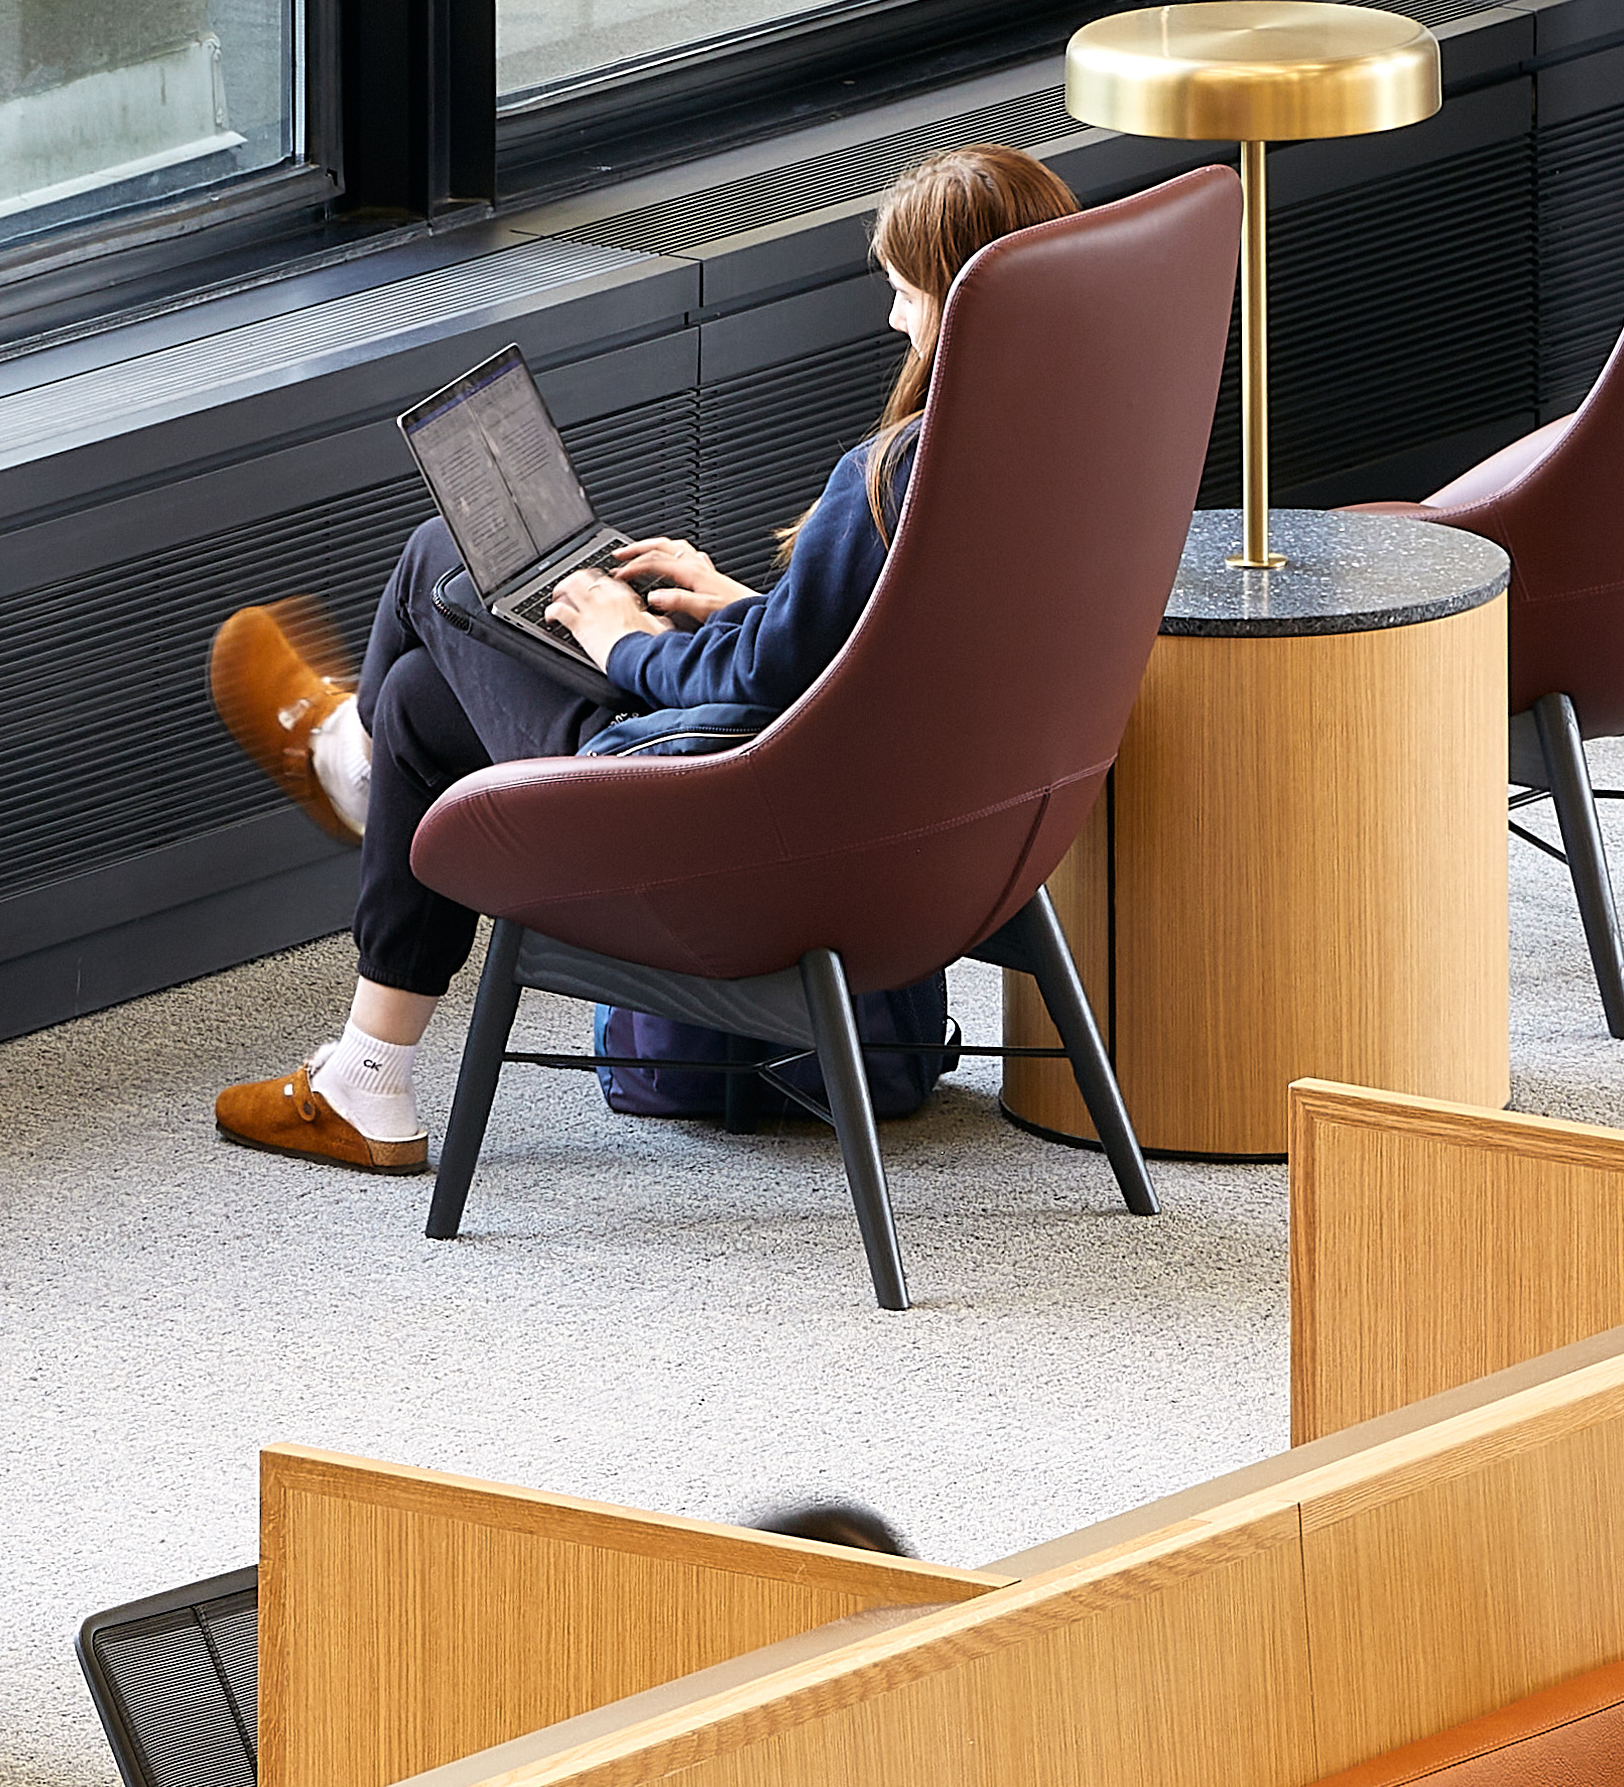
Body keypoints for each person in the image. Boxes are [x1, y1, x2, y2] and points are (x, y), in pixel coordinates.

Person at [198, 143, 1082, 1174]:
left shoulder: (893, 471)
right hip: (912, 837)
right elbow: (894, 647)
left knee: (441, 560)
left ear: (962, 299)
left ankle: (347, 777)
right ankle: (364, 1076)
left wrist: (626, 642)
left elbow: (762, 683)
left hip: (725, 813)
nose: (894, 321)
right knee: (420, 703)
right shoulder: (1059, 450)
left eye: (905, 294)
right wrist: (743, 605)